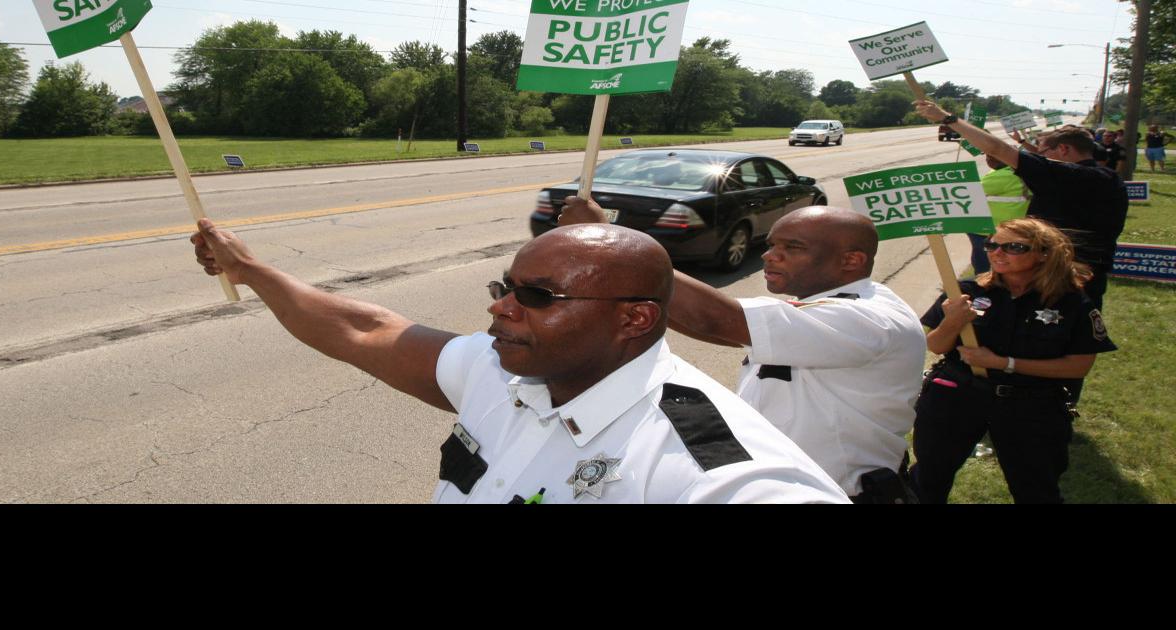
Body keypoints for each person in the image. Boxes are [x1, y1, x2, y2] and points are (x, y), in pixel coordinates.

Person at [189, 219, 847, 504]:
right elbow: (365, 330)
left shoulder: (702, 459)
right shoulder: (499, 369)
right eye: (505, 287)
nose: (504, 308)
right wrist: (250, 271)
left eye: (537, 297)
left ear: (635, 318)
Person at [557, 201, 926, 503]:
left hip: (834, 494)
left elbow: (717, 319)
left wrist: (613, 241)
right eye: (772, 245)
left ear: (851, 261)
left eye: (792, 249)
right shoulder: (833, 306)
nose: (770, 257)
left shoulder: (868, 320)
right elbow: (721, 329)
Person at [908, 218, 1116, 504]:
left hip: (1030, 406)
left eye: (1014, 247)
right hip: (956, 398)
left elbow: (1079, 365)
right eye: (992, 244)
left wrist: (1004, 363)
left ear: (1044, 253)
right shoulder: (968, 291)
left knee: (1036, 489)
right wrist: (952, 323)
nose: (997, 252)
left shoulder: (1070, 302)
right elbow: (936, 344)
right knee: (927, 480)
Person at [917, 101, 1127, 311]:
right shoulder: (1111, 179)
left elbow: (998, 148)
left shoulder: (1065, 175)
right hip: (1092, 276)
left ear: (1063, 149)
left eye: (1043, 152)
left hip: (1054, 280)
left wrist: (947, 118)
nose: (1040, 157)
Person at [967, 154, 1031, 275]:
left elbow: (967, 191)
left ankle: (985, 287)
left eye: (989, 158)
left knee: (984, 266)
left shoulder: (1002, 176)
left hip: (989, 229)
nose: (987, 161)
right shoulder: (1022, 172)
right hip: (1016, 226)